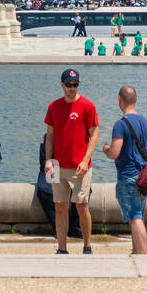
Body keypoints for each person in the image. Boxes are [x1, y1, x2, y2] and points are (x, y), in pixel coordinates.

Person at [43, 67, 99, 254]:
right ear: (62, 85)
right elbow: (50, 136)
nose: (72, 88)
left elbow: (94, 134)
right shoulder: (53, 106)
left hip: (80, 167)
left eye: (75, 85)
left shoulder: (88, 106)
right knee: (60, 206)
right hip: (58, 165)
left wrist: (85, 160)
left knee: (82, 205)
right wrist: (48, 160)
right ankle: (62, 248)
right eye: (69, 85)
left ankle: (87, 245)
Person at [102, 85, 147, 255]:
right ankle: (136, 251)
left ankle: (142, 254)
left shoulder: (120, 124)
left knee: (135, 218)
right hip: (144, 177)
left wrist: (105, 149)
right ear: (136, 100)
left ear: (120, 100)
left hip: (128, 176)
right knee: (138, 215)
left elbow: (114, 153)